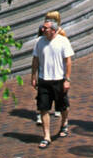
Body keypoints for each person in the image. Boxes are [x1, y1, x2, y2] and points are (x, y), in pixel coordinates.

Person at [31, 17, 74, 148]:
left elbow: (68, 61)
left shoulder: (63, 41)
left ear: (53, 30)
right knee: (43, 108)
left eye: (46, 28)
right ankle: (47, 136)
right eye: (43, 27)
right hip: (44, 80)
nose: (42, 29)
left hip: (59, 79)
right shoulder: (39, 41)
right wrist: (34, 76)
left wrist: (67, 79)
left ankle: (64, 123)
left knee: (62, 106)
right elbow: (35, 60)